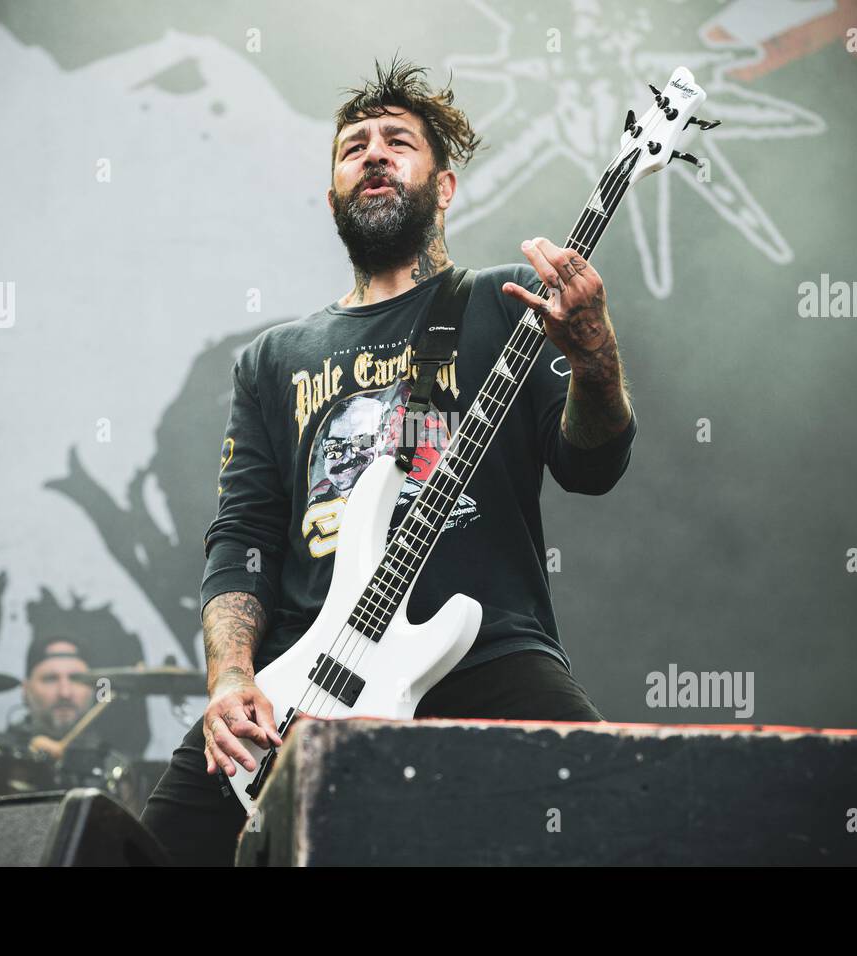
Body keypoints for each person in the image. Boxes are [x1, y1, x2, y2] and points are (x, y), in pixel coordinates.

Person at [142, 56, 636, 865]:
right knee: (152, 851)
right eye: (353, 146)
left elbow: (593, 463)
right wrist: (233, 678)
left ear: (443, 186)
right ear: (332, 192)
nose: (372, 153)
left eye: (397, 142)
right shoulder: (273, 358)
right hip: (310, 670)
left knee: (612, 812)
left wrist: (594, 357)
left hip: (488, 650)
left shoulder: (508, 301)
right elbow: (241, 540)